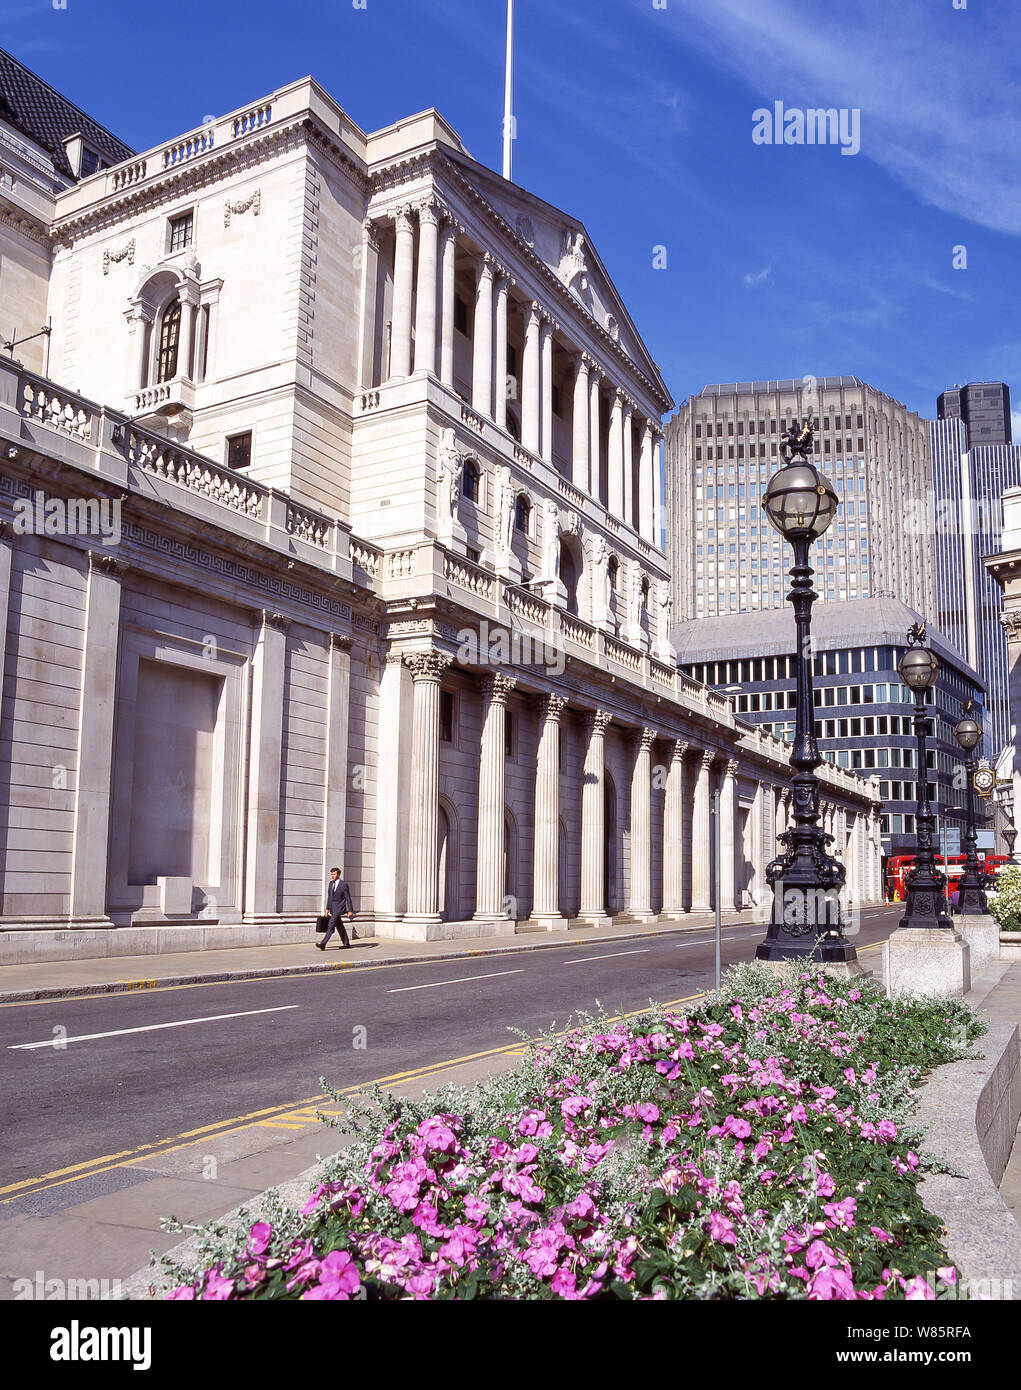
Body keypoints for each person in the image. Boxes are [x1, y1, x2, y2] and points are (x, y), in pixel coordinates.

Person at [318, 867, 355, 950]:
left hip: (339, 908)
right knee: (339, 926)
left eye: (334, 874)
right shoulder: (331, 883)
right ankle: (346, 943)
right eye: (331, 874)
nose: (332, 876)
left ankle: (323, 943)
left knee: (331, 925)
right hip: (332, 908)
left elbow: (348, 898)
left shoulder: (343, 885)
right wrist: (327, 909)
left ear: (338, 874)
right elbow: (330, 897)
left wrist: (350, 910)